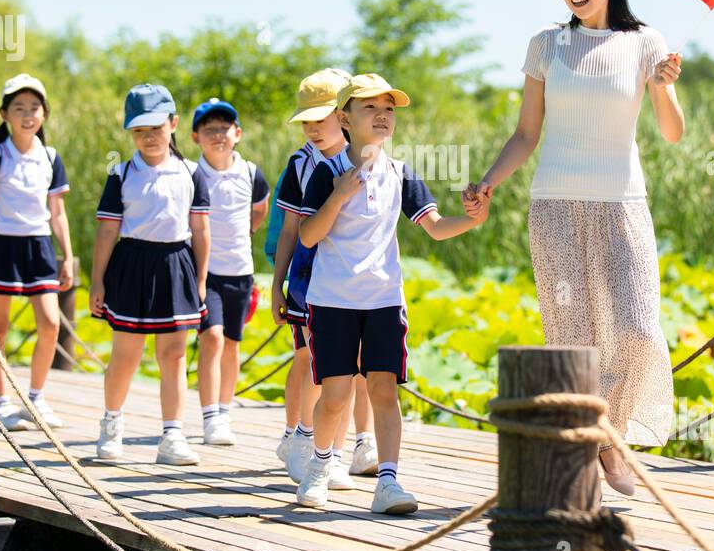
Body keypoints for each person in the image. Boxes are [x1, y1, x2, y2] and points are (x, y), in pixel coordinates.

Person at [463, 0, 685, 498]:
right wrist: (487, 182)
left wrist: (662, 86)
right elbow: (526, 133)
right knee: (573, 336)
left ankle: (606, 435)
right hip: (555, 207)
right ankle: (596, 446)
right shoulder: (546, 45)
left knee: (636, 329)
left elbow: (673, 131)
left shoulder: (646, 43)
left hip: (622, 205)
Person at [293, 74, 489, 513]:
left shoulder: (401, 172)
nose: (382, 116)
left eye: (389, 109)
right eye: (370, 108)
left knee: (384, 389)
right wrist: (340, 196)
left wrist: (472, 219)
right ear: (344, 118)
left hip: (384, 300)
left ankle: (388, 481)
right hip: (333, 302)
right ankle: (321, 465)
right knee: (336, 396)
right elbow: (308, 236)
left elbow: (436, 227)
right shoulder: (325, 172)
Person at [90, 83, 211, 465]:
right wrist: (97, 280)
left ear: (173, 124)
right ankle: (111, 424)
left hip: (176, 263)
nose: (149, 137)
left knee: (174, 355)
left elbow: (201, 230)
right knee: (125, 355)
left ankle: (172, 435)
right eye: (139, 130)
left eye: (156, 128)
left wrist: (202, 279)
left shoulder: (192, 173)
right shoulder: (122, 174)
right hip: (131, 263)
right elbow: (108, 230)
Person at [268, 70, 377, 490]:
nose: (314, 129)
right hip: (309, 278)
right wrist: (277, 284)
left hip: (357, 280)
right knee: (310, 359)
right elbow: (290, 230)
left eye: (324, 117)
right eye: (307, 121)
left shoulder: (368, 156)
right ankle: (300, 438)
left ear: (346, 115)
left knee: (355, 367)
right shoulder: (301, 163)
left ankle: (349, 444)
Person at [0, 73, 74, 432]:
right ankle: (2, 402)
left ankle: (36, 398)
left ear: (44, 114)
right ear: (4, 113)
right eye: (18, 107)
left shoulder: (51, 157)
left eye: (34, 107)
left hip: (39, 246)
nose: (27, 114)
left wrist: (66, 255)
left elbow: (58, 213)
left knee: (51, 323)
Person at [189, 97, 270, 446]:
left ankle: (224, 411)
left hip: (241, 271)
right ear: (195, 137)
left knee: (233, 345)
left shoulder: (251, 172)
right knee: (212, 338)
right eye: (209, 130)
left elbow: (260, 209)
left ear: (237, 133)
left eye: (224, 128)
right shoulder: (191, 174)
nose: (217, 135)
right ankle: (210, 416)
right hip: (205, 273)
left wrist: (245, 234)